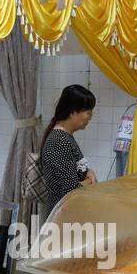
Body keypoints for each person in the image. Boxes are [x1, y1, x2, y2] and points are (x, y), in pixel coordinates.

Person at [39, 84, 97, 217]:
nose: (90, 117)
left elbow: (72, 171)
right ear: (73, 112)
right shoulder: (60, 141)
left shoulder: (65, 137)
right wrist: (90, 180)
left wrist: (88, 171)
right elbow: (71, 191)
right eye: (88, 112)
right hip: (63, 217)